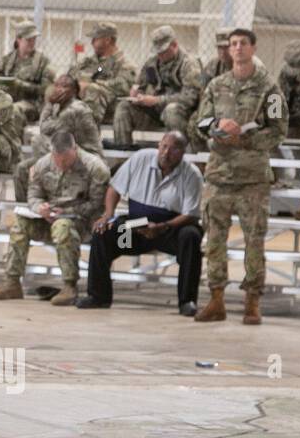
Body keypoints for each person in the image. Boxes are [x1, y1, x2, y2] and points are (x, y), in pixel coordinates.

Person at [195, 28, 287, 325]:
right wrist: (217, 125)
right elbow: (200, 122)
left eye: (242, 44)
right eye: (233, 44)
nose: (237, 49)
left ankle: (252, 302)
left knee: (253, 241)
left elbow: (278, 131)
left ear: (253, 48)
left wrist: (244, 139)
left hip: (252, 178)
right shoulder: (216, 85)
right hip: (219, 174)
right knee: (214, 241)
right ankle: (216, 299)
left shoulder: (269, 89)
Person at [76, 132, 204, 315]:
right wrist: (108, 215)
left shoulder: (192, 174)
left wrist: (163, 227)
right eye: (164, 146)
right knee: (104, 233)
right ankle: (98, 296)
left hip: (169, 230)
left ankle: (187, 301)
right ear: (159, 146)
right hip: (136, 228)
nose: (166, 153)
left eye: (174, 149)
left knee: (190, 236)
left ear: (183, 152)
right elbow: (115, 188)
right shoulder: (141, 158)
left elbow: (190, 214)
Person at [0, 131, 108, 305]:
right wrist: (40, 207)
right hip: (49, 219)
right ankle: (12, 282)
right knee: (20, 224)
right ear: (52, 153)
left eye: (67, 160)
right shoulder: (43, 165)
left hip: (80, 223)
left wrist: (68, 211)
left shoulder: (95, 168)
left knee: (63, 227)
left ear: (74, 149)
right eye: (58, 160)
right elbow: (33, 195)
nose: (62, 165)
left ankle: (70, 286)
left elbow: (97, 205)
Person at [13, 74, 102, 202]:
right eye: (57, 85)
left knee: (38, 141)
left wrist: (49, 103)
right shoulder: (59, 106)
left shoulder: (75, 109)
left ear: (74, 91)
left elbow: (44, 128)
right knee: (21, 169)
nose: (59, 89)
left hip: (86, 159)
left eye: (65, 86)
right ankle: (26, 212)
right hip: (64, 155)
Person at [114, 25, 202, 147]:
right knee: (124, 107)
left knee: (171, 110)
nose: (160, 55)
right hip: (155, 112)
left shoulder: (189, 64)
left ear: (174, 45)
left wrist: (156, 100)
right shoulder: (152, 63)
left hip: (181, 113)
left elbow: (190, 98)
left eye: (164, 51)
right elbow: (139, 83)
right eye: (158, 51)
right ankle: (123, 153)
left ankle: (178, 154)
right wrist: (136, 92)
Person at [69, 21, 137, 124]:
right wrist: (77, 85)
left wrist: (89, 85)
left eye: (95, 39)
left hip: (111, 105)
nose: (91, 42)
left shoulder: (124, 63)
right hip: (83, 102)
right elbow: (70, 75)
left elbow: (123, 85)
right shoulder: (88, 61)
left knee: (93, 90)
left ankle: (88, 134)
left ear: (107, 40)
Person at [0, 19, 54, 123]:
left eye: (33, 39)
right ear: (18, 39)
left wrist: (20, 84)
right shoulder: (6, 61)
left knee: (13, 110)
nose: (32, 43)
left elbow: (47, 90)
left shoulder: (42, 62)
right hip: (7, 100)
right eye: (28, 40)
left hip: (32, 104)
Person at [187, 29, 233, 153]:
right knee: (194, 122)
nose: (223, 52)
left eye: (226, 48)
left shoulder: (245, 66)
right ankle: (203, 159)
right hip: (215, 111)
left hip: (236, 113)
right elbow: (203, 92)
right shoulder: (213, 65)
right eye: (220, 48)